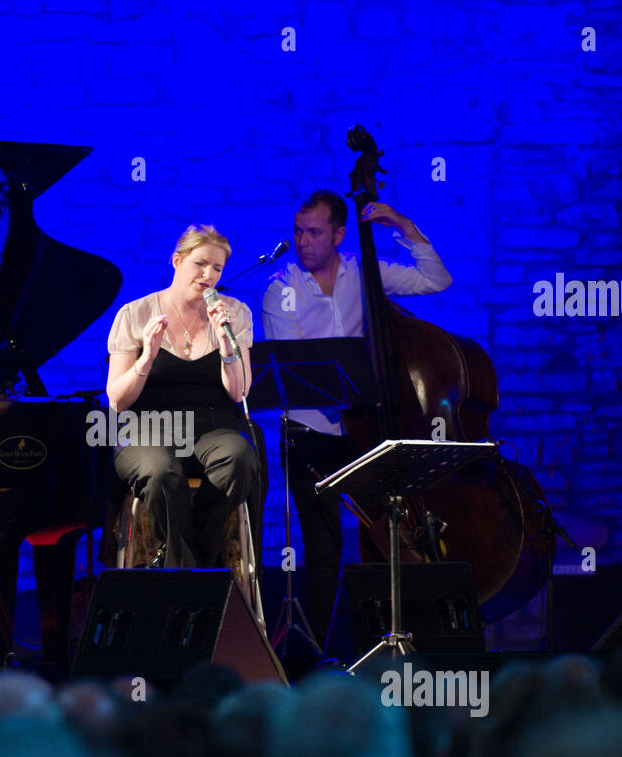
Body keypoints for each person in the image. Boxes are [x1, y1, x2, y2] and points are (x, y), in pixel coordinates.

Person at [261, 190, 452, 650]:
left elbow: (437, 279)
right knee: (324, 550)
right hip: (308, 435)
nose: (302, 241)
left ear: (339, 234)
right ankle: (317, 655)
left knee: (389, 535)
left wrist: (404, 226)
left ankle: (395, 638)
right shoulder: (281, 289)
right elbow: (301, 371)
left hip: (364, 431)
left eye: (314, 232)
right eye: (298, 232)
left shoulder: (365, 272)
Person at [106, 225, 258, 569]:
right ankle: (197, 570)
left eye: (217, 268)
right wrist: (146, 358)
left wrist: (226, 346)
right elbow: (117, 400)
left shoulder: (234, 314)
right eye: (200, 264)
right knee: (161, 472)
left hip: (213, 426)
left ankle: (185, 564)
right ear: (177, 260)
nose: (208, 275)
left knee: (239, 459)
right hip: (147, 427)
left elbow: (239, 393)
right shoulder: (135, 314)